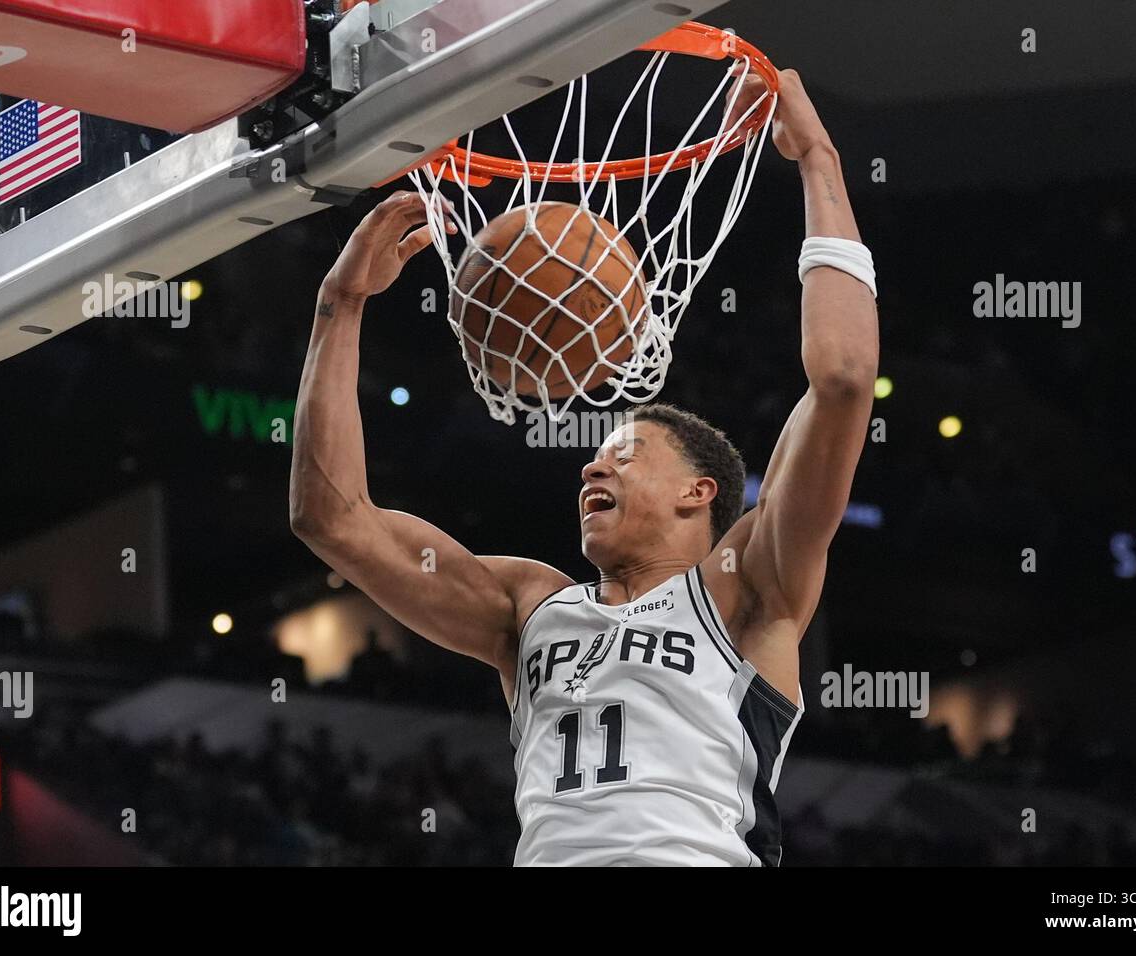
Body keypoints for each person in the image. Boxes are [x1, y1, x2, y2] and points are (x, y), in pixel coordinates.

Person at [290, 68, 878, 866]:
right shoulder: (526, 606)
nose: (587, 472)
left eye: (624, 453)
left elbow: (842, 381)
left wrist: (817, 155)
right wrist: (340, 305)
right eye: (594, 457)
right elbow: (332, 518)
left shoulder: (746, 590)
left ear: (697, 494)